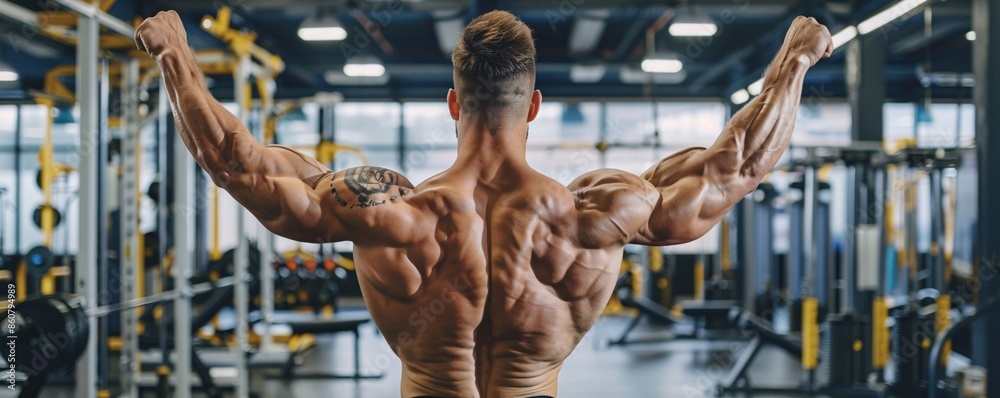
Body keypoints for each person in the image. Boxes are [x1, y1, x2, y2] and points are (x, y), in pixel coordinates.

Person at [135, 9, 832, 398]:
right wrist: (791, 63)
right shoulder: (597, 213)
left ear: (451, 103)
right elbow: (734, 168)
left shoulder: (388, 209)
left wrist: (176, 57)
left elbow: (237, 164)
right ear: (533, 104)